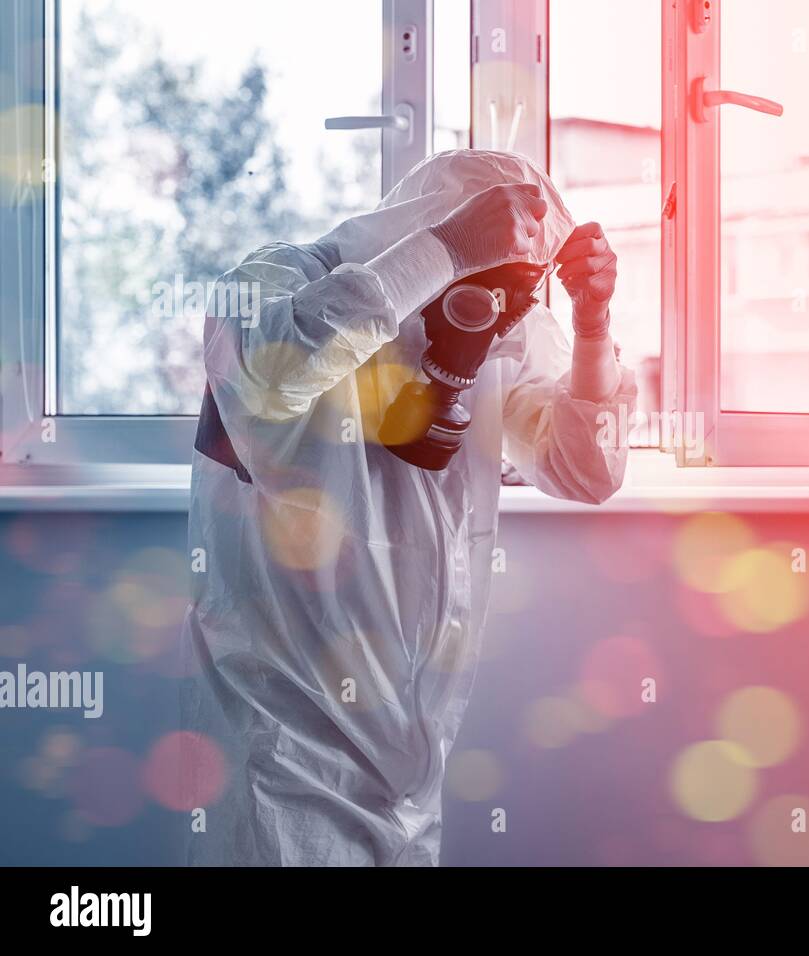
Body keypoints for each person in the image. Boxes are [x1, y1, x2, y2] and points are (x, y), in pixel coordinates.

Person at [179, 149, 635, 865]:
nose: (497, 316)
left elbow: (588, 469)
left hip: (410, 768)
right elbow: (275, 372)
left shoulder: (500, 335)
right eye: (485, 284)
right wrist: (450, 251)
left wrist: (593, 326)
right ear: (427, 234)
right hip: (283, 757)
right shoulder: (282, 282)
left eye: (520, 293)